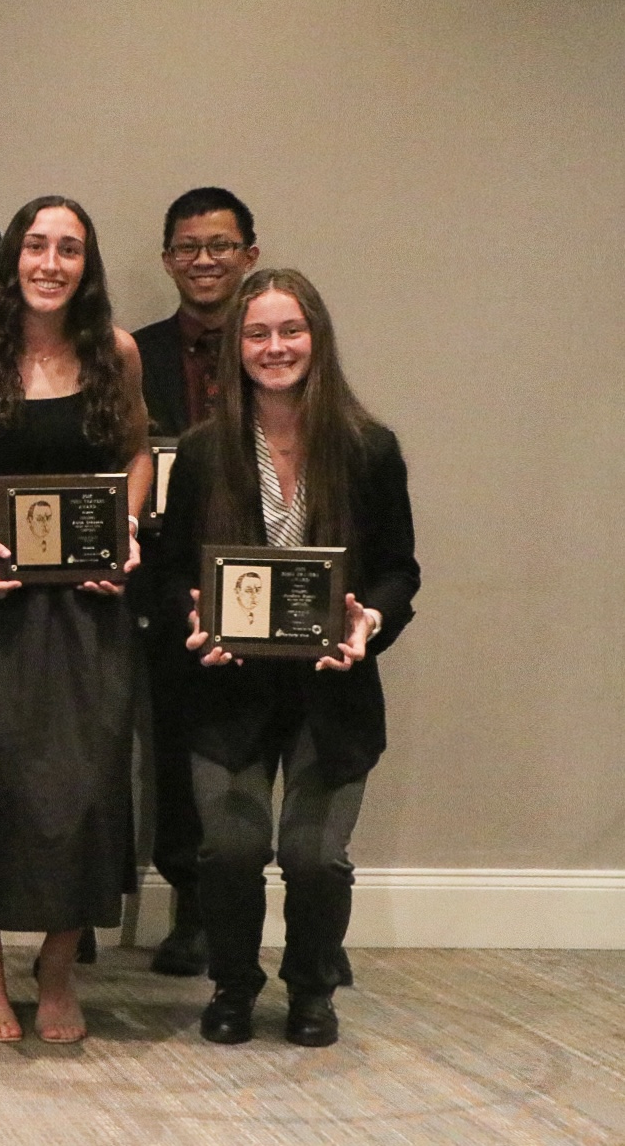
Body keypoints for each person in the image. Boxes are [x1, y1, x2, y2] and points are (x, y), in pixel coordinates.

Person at [0, 195, 151, 1044]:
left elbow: (137, 454)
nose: (51, 262)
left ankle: (56, 960)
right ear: (12, 257)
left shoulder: (113, 351)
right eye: (37, 246)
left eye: (70, 248)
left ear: (88, 263)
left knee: (82, 785)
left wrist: (124, 524)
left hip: (86, 607)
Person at [158, 268, 418, 1048]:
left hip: (332, 686)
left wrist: (372, 617)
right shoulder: (206, 451)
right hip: (230, 685)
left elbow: (400, 568)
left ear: (317, 338)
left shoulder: (369, 447)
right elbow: (173, 569)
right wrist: (193, 615)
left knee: (312, 857)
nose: (276, 348)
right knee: (231, 848)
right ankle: (234, 985)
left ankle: (312, 989)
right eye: (258, 334)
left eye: (290, 330)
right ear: (237, 349)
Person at [130, 186, 260, 976]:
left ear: (250, 253)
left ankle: (264, 904)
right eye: (187, 247)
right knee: (174, 744)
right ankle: (189, 905)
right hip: (165, 579)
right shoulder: (131, 352)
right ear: (167, 258)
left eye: (219, 245)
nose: (204, 261)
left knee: (258, 740)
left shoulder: (279, 344)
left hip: (265, 578)